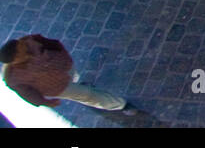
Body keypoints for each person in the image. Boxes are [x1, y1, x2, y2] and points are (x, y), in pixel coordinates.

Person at [1, 35, 134, 113]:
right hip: (58, 87)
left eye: (21, 44)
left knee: (76, 78)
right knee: (89, 95)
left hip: (65, 67)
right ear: (15, 58)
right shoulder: (14, 78)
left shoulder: (31, 40)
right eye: (21, 48)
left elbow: (53, 44)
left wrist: (62, 53)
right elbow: (28, 93)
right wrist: (45, 102)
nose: (25, 46)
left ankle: (79, 84)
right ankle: (119, 105)